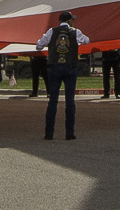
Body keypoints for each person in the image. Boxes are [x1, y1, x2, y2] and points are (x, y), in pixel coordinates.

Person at [36, 11, 89, 140]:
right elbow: (87, 40)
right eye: (72, 20)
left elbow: (39, 46)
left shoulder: (51, 31)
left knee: (53, 100)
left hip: (54, 67)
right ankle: (69, 133)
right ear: (69, 21)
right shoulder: (75, 32)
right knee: (70, 101)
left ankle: (49, 133)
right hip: (70, 67)